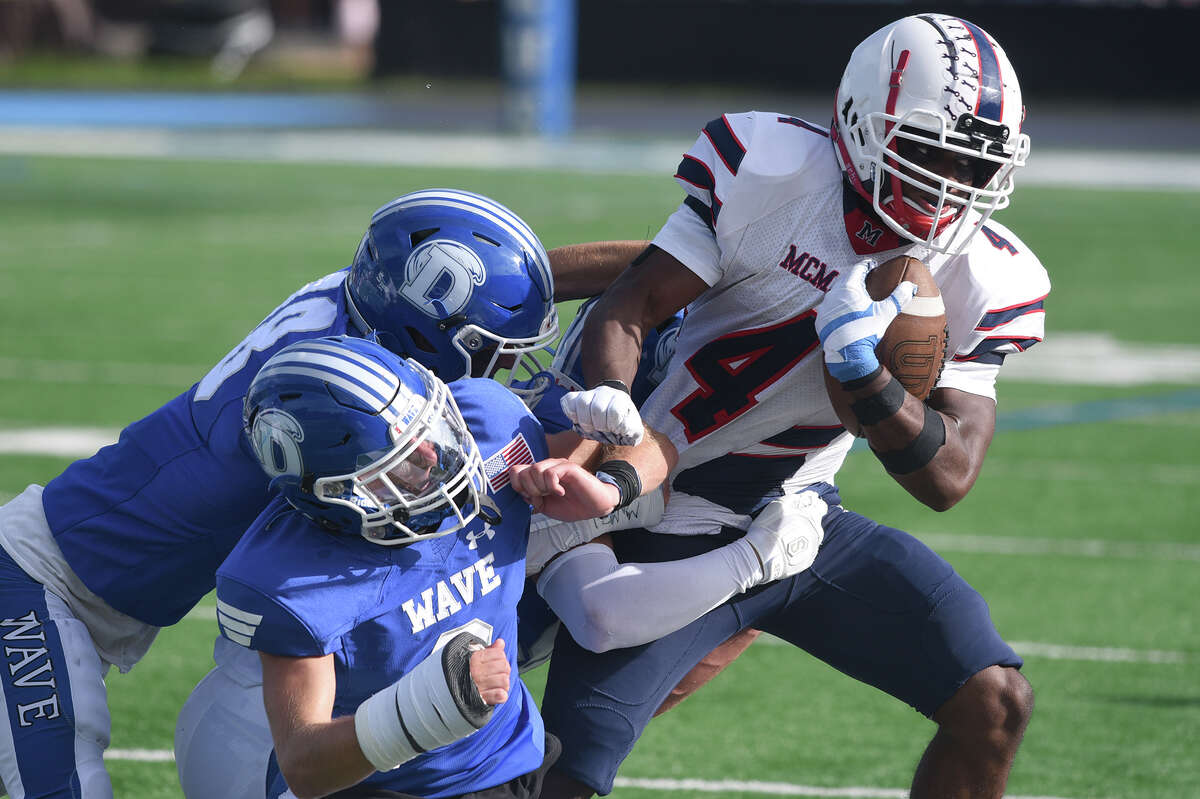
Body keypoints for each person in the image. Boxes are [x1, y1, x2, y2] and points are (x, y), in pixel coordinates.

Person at [547, 13, 1048, 799]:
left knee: (995, 701)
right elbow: (632, 301)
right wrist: (611, 402)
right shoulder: (773, 175)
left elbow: (948, 476)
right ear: (861, 122)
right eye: (930, 152)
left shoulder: (982, 272)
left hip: (802, 520)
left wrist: (863, 372)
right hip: (666, 510)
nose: (950, 183)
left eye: (974, 164)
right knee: (556, 775)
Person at [0, 187, 606, 799]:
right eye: (491, 352)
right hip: (43, 580)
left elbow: (469, 292)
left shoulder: (364, 308)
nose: (503, 371)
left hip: (130, 571)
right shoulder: (331, 420)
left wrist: (660, 260)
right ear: (424, 336)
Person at [214, 334, 674, 799]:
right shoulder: (293, 577)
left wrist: (612, 487)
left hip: (509, 764)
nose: (434, 456)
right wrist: (423, 710)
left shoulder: (490, 432)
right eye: (400, 460)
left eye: (430, 430)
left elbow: (657, 447)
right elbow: (305, 765)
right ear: (335, 492)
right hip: (380, 789)